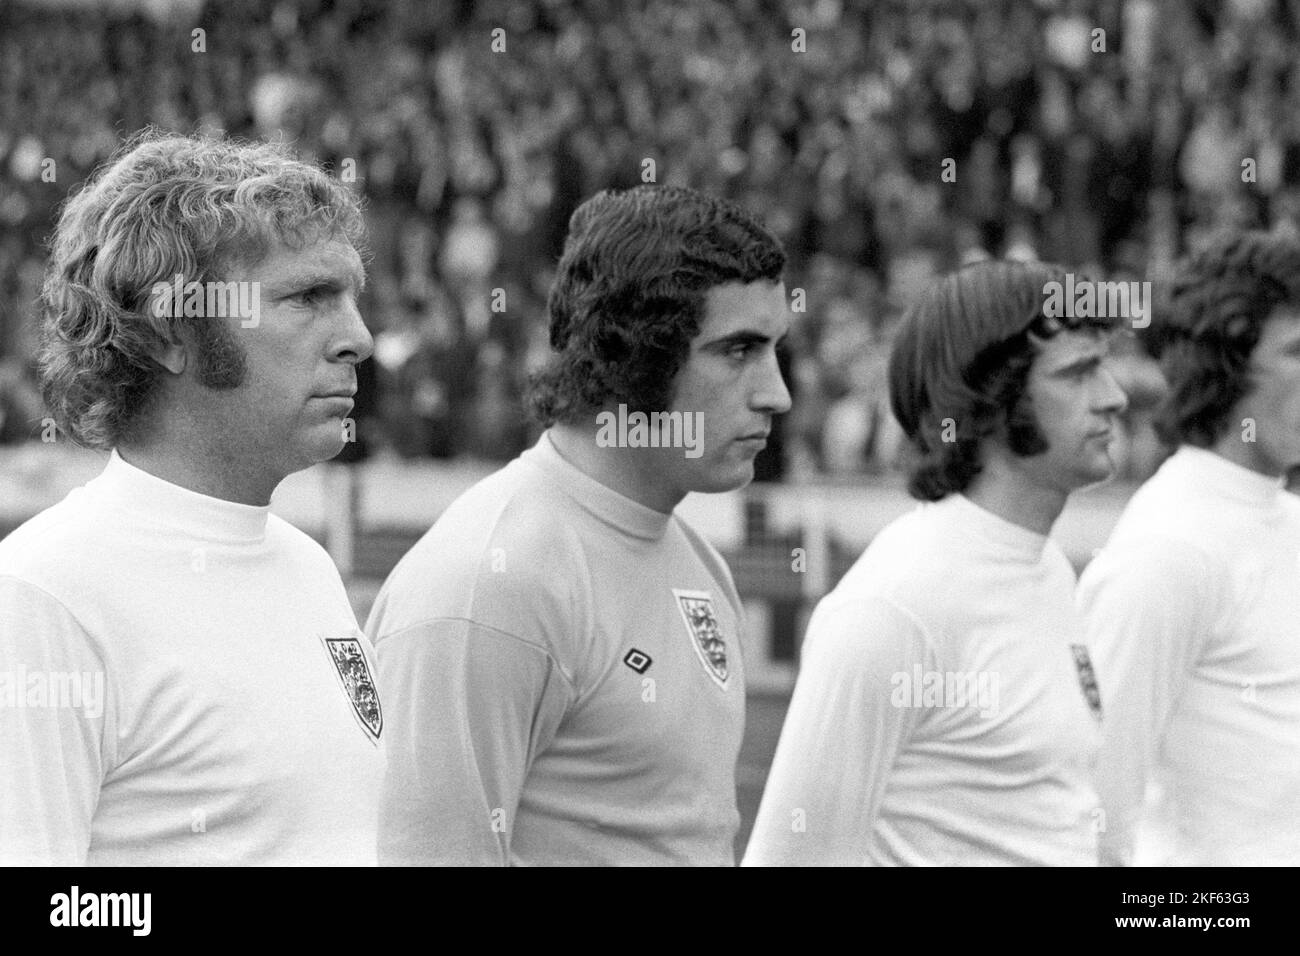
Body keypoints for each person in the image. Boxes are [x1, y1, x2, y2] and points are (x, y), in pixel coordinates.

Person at [367, 185, 790, 865]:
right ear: (635, 354)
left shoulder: (698, 564)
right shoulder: (492, 584)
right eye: (739, 350)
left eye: (774, 351)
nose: (777, 392)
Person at [0, 131, 383, 865]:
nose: (358, 338)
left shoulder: (309, 570)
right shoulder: (44, 599)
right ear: (173, 328)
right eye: (309, 296)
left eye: (352, 298)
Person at [745, 260, 1127, 865]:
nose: (1115, 397)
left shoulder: (1047, 566)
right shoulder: (894, 605)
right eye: (1079, 372)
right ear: (993, 397)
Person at [1078, 230, 1300, 865]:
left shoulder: (1285, 517)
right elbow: (1094, 821)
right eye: (1296, 350)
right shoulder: (1166, 549)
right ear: (1226, 365)